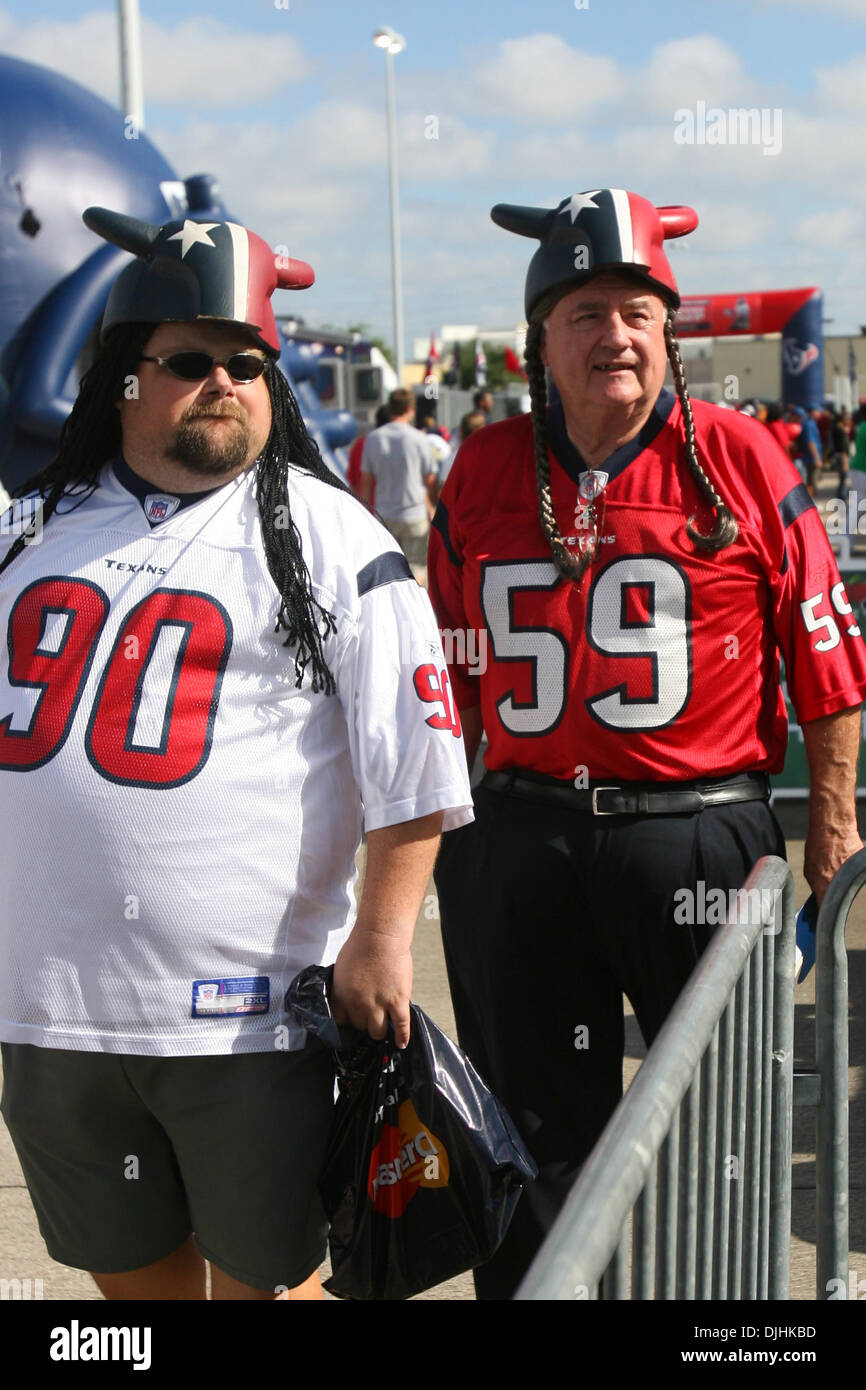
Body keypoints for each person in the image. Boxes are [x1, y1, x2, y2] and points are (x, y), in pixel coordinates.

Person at [0, 207, 473, 1301]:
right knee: (132, 1291)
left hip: (244, 1018)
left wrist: (383, 939)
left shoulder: (330, 535)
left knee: (272, 1288)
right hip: (48, 1008)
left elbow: (415, 768)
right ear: (123, 375)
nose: (224, 381)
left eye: (247, 363)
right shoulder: (31, 532)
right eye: (189, 361)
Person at [427, 186, 866, 1300]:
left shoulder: (741, 456)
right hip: (522, 833)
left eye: (635, 311)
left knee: (720, 1126)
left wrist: (829, 823)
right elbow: (432, 677)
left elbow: (823, 656)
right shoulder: (478, 469)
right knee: (521, 1138)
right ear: (540, 337)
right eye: (582, 313)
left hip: (694, 832)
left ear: (670, 332)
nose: (612, 335)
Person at [359, 388, 438, 577]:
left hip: (384, 514)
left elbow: (366, 483)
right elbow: (430, 480)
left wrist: (365, 514)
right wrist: (433, 504)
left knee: (388, 572)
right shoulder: (420, 439)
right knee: (417, 568)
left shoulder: (373, 439)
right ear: (411, 409)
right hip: (414, 513)